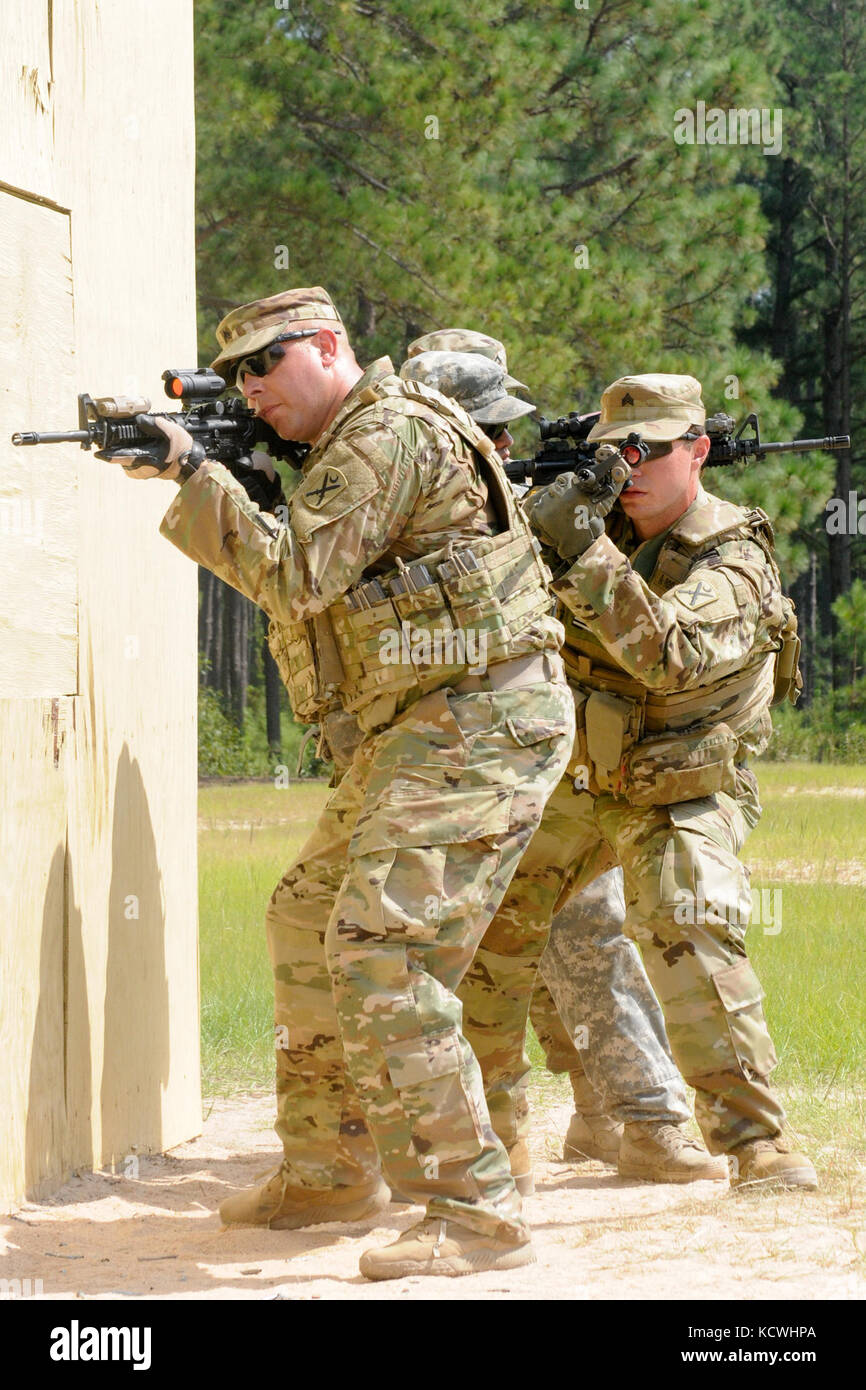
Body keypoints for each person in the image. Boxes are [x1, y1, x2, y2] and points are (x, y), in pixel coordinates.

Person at [106, 286, 576, 1280]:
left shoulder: (380, 437)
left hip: (480, 715)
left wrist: (193, 469)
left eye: (267, 363)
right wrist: (201, 466)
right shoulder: (357, 442)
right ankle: (328, 1166)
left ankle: (473, 1208)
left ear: (327, 346)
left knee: (384, 950)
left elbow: (292, 579)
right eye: (236, 373)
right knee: (303, 913)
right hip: (425, 721)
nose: (253, 386)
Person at [466, 372, 817, 1191]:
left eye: (650, 450)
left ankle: (756, 1143)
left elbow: (672, 655)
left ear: (696, 451)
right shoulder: (592, 527)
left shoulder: (733, 551)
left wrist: (578, 551)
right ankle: (490, 1142)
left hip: (684, 781)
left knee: (685, 915)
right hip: (585, 776)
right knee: (490, 917)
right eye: (616, 454)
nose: (632, 468)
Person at [401, 342, 718, 1184]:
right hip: (439, 758)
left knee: (586, 929)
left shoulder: (537, 504)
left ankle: (639, 1115)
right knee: (494, 951)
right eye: (488, 432)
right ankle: (532, 1124)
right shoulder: (398, 502)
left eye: (507, 433)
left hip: (546, 754)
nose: (502, 451)